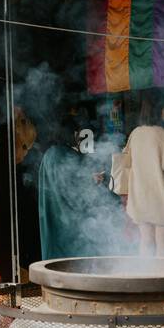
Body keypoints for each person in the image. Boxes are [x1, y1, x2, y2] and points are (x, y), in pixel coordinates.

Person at [38, 110, 125, 259]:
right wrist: (99, 185)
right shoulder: (65, 155)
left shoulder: (49, 155)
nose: (78, 137)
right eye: (76, 133)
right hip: (70, 231)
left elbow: (66, 183)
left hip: (53, 221)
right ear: (72, 134)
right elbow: (78, 194)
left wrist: (88, 179)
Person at [122, 92, 164, 257]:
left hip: (140, 198)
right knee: (163, 244)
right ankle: (160, 279)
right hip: (161, 200)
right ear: (161, 110)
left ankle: (145, 276)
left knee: (146, 242)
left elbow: (126, 163)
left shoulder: (135, 134)